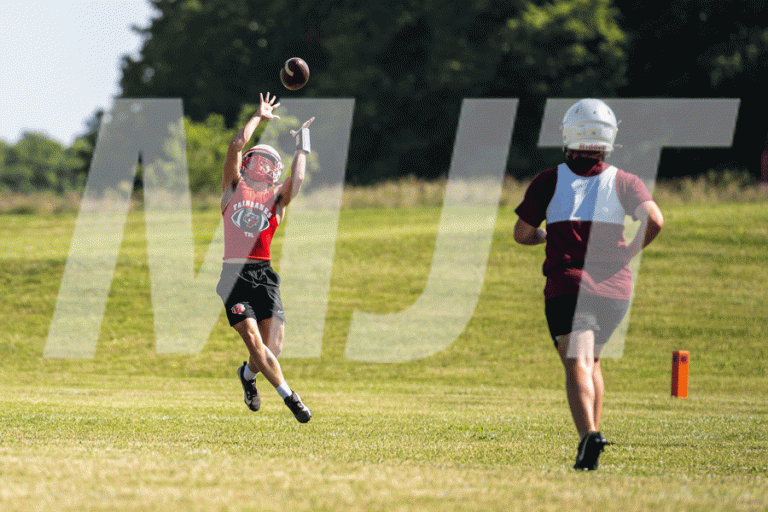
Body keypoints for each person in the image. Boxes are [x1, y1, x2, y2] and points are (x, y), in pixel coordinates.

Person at [513, 99, 664, 470]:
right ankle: (593, 437)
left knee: (576, 361)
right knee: (592, 361)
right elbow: (655, 220)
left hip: (570, 286)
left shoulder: (549, 180)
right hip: (615, 290)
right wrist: (627, 254)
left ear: (569, 136)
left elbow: (522, 233)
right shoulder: (625, 181)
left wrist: (544, 236)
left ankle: (588, 437)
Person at [216, 92, 314, 423]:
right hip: (234, 276)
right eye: (258, 157)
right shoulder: (234, 187)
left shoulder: (275, 199)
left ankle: (248, 374)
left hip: (264, 274)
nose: (262, 163)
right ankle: (290, 396)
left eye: (269, 160)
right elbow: (235, 144)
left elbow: (298, 179)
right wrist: (259, 116)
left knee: (275, 346)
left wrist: (302, 145)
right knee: (254, 339)